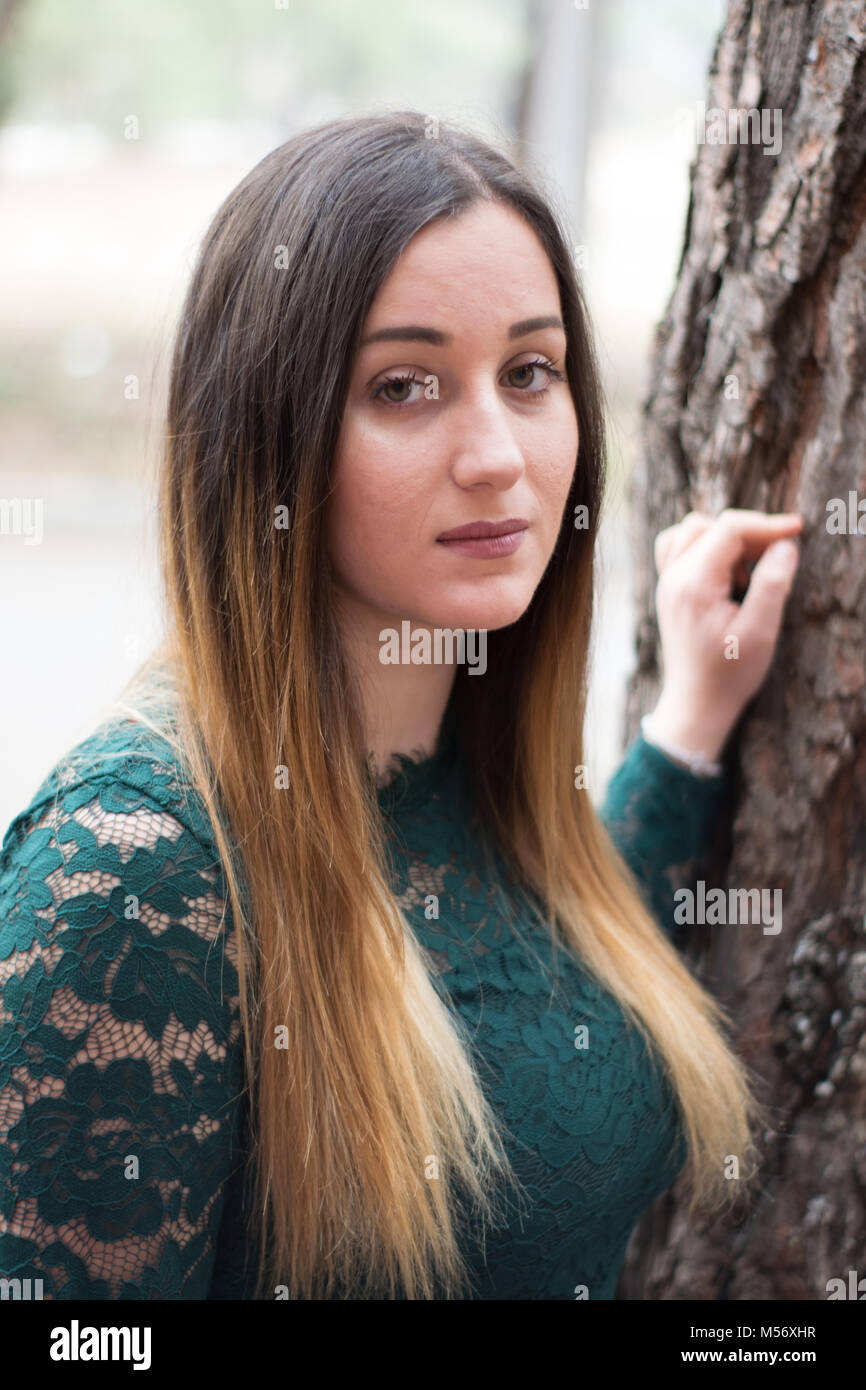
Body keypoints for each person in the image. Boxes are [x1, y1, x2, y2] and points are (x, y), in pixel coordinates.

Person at [0, 111, 803, 1301]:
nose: (496, 454)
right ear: (267, 434)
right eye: (403, 385)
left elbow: (525, 986)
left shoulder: (473, 764)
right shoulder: (136, 870)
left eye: (528, 372)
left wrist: (686, 731)